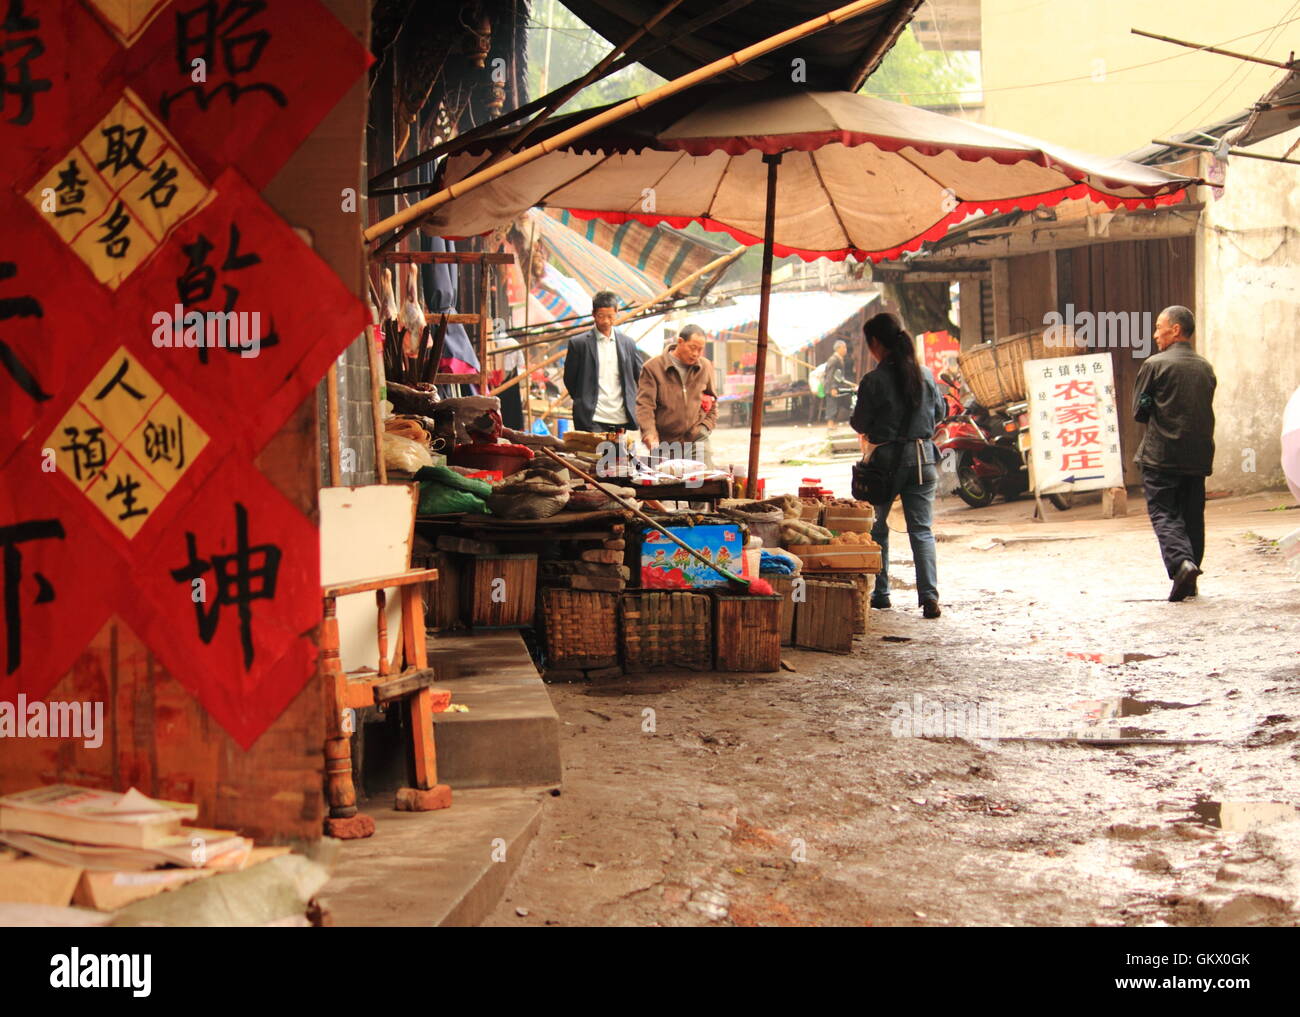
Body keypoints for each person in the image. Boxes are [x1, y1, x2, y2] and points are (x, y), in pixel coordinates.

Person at [851, 312, 947, 618]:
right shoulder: (926, 375)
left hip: (885, 466)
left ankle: (881, 594)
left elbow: (860, 422)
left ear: (875, 343)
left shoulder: (873, 381)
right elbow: (940, 413)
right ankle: (929, 597)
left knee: (878, 528)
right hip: (923, 460)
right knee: (922, 530)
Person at [1133, 305, 1216, 602]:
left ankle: (1182, 564)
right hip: (1197, 457)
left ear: (1176, 330)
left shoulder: (1155, 365)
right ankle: (1189, 582)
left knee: (1164, 512)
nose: (1156, 334)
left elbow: (1140, 411)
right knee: (1192, 517)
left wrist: (1154, 405)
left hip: (1161, 456)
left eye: (1159, 327)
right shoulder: (1205, 367)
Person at [635, 323, 718, 465]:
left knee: (704, 475)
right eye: (692, 348)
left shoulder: (705, 367)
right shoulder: (653, 368)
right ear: (680, 342)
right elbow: (645, 406)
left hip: (696, 438)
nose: (696, 354)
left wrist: (705, 427)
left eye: (700, 349)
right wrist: (649, 433)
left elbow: (713, 400)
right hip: (664, 442)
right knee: (668, 477)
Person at [563, 290, 642, 434]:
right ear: (593, 314)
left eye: (610, 316)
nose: (605, 321)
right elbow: (570, 380)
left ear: (617, 313)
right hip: (591, 418)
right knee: (592, 450)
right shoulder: (579, 344)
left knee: (618, 450)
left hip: (620, 418)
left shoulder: (628, 344)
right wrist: (583, 399)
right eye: (601, 316)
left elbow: (639, 376)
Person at [822, 340, 853, 425]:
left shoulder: (839, 359)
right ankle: (830, 424)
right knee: (832, 405)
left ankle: (832, 423)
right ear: (838, 348)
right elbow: (830, 375)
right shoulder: (834, 359)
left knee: (836, 404)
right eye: (844, 347)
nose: (846, 349)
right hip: (831, 386)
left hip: (836, 385)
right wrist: (832, 388)